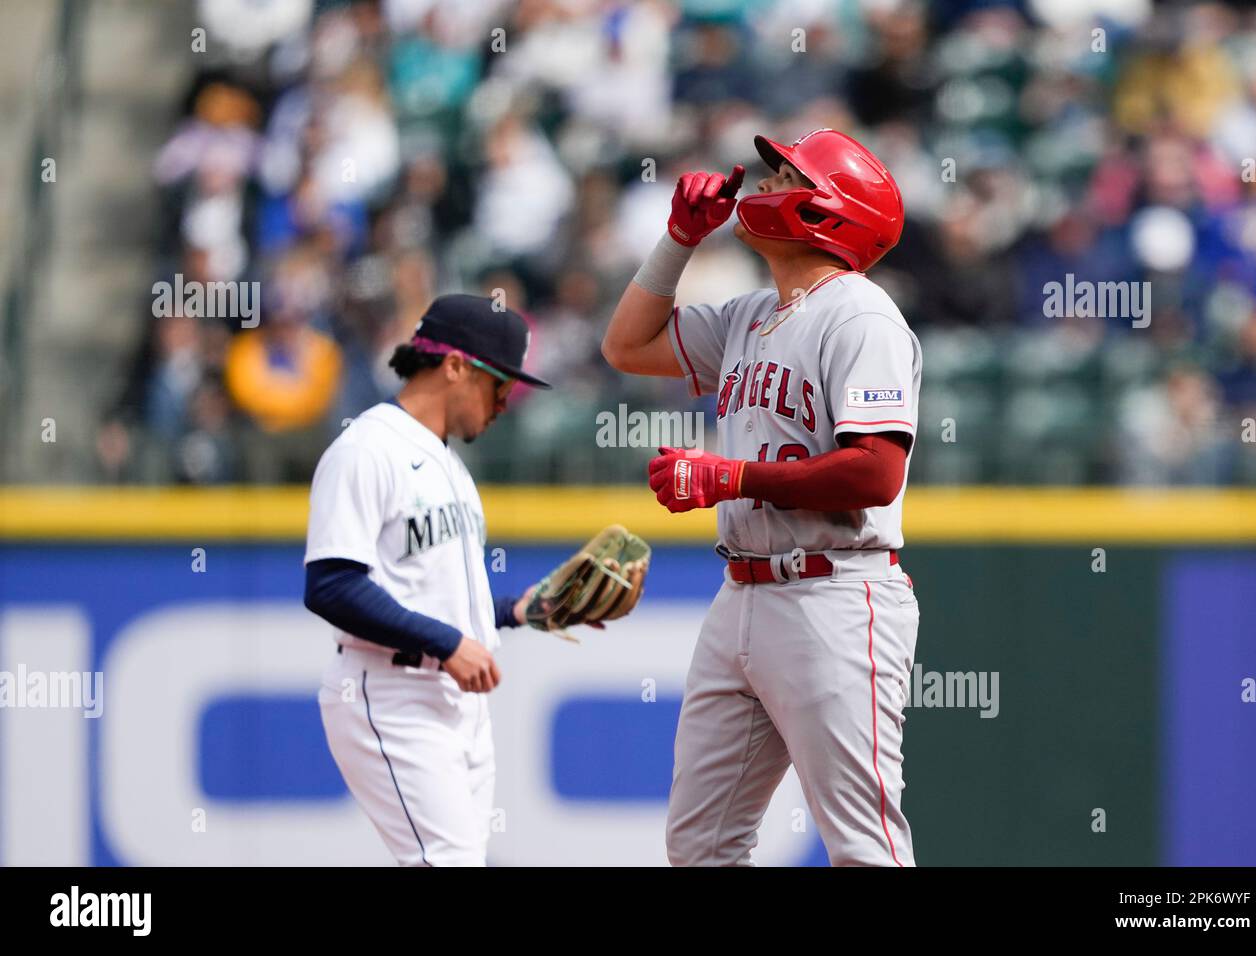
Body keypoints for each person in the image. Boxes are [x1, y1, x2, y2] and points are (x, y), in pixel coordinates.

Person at [601, 128, 923, 866]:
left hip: (834, 595)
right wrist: (679, 240)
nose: (765, 185)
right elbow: (624, 346)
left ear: (827, 210)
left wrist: (730, 477)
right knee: (701, 845)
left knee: (863, 847)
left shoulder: (862, 315)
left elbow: (875, 472)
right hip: (741, 593)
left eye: (786, 176)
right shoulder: (752, 314)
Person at [304, 294, 548, 866]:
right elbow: (330, 584)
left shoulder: (452, 468)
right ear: (456, 366)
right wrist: (446, 643)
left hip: (455, 704)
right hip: (391, 693)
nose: (506, 402)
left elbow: (433, 598)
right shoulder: (367, 449)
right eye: (500, 384)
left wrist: (518, 610)